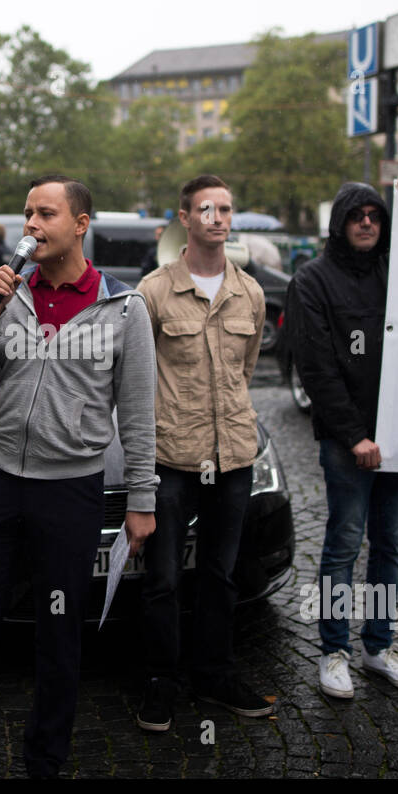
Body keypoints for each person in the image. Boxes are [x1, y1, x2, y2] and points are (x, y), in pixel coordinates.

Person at [0, 175, 157, 778]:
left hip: (70, 491)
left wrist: (141, 497)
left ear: (80, 223)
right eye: (27, 213)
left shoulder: (123, 307)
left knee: (58, 635)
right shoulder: (12, 294)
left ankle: (45, 761)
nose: (31, 224)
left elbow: (136, 409)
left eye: (45, 213)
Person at [286, 171, 398, 699]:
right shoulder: (313, 280)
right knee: (344, 543)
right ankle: (334, 651)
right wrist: (354, 436)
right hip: (350, 443)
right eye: (356, 216)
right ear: (339, 224)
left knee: (389, 545)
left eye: (375, 216)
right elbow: (317, 368)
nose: (367, 223)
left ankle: (380, 646)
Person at [135, 176, 269, 730]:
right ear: (185, 218)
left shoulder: (250, 293)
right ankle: (161, 681)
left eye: (227, 209)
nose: (219, 217)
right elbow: (136, 383)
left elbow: (247, 370)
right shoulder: (153, 292)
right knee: (162, 579)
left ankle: (215, 674)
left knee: (221, 573)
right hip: (172, 458)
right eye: (207, 209)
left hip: (233, 459)